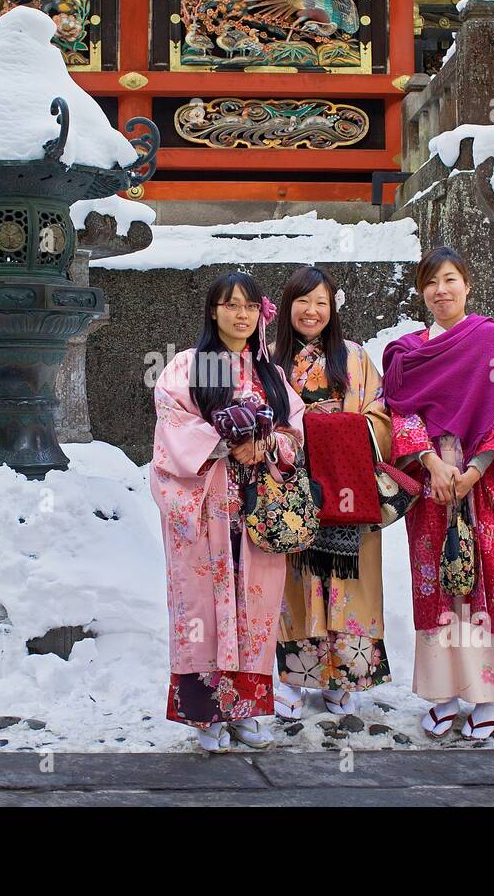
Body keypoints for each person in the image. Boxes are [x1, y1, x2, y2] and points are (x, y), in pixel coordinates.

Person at [382, 247, 494, 741]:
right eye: (431, 282)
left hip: (482, 482)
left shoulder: (491, 340)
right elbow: (400, 412)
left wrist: (474, 471)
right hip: (432, 484)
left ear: (467, 285)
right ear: (421, 291)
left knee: (486, 583)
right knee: (440, 585)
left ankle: (488, 695)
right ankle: (444, 691)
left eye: (450, 280)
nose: (441, 291)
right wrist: (430, 463)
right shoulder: (408, 352)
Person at [150, 271, 306, 752]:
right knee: (204, 608)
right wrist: (224, 442)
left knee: (254, 608)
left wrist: (264, 443)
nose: (241, 315)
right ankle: (207, 715)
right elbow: (173, 426)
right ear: (212, 312)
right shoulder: (190, 366)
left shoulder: (270, 373)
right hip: (207, 505)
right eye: (230, 305)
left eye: (249, 306)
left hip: (258, 506)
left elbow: (295, 433)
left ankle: (246, 709)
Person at [272, 266, 392, 720]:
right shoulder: (271, 360)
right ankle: (295, 680)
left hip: (349, 488)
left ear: (332, 308)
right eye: (304, 301)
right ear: (288, 307)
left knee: (350, 585)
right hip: (296, 489)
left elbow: (382, 416)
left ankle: (345, 679)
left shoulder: (356, 358)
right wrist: (304, 432)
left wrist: (336, 426)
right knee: (296, 583)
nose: (312, 311)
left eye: (322, 302)